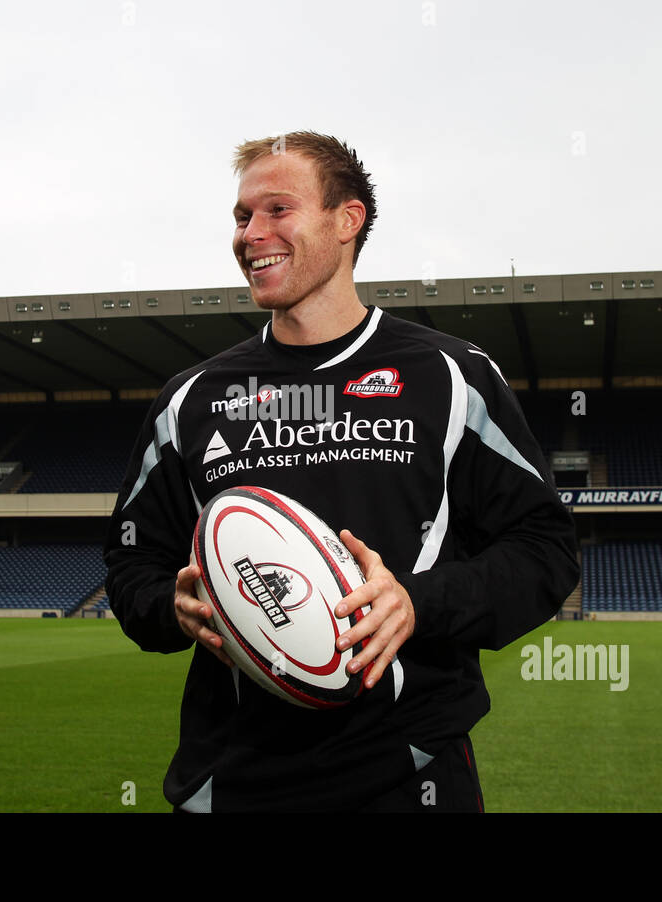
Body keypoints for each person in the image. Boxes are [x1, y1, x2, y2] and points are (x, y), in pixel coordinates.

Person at [102, 131, 579, 812]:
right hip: (234, 787)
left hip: (411, 778)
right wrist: (169, 607)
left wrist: (417, 602)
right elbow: (131, 563)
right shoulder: (191, 400)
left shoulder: (453, 378)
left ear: (346, 220)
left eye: (276, 210)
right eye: (242, 217)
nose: (251, 234)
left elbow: (546, 549)